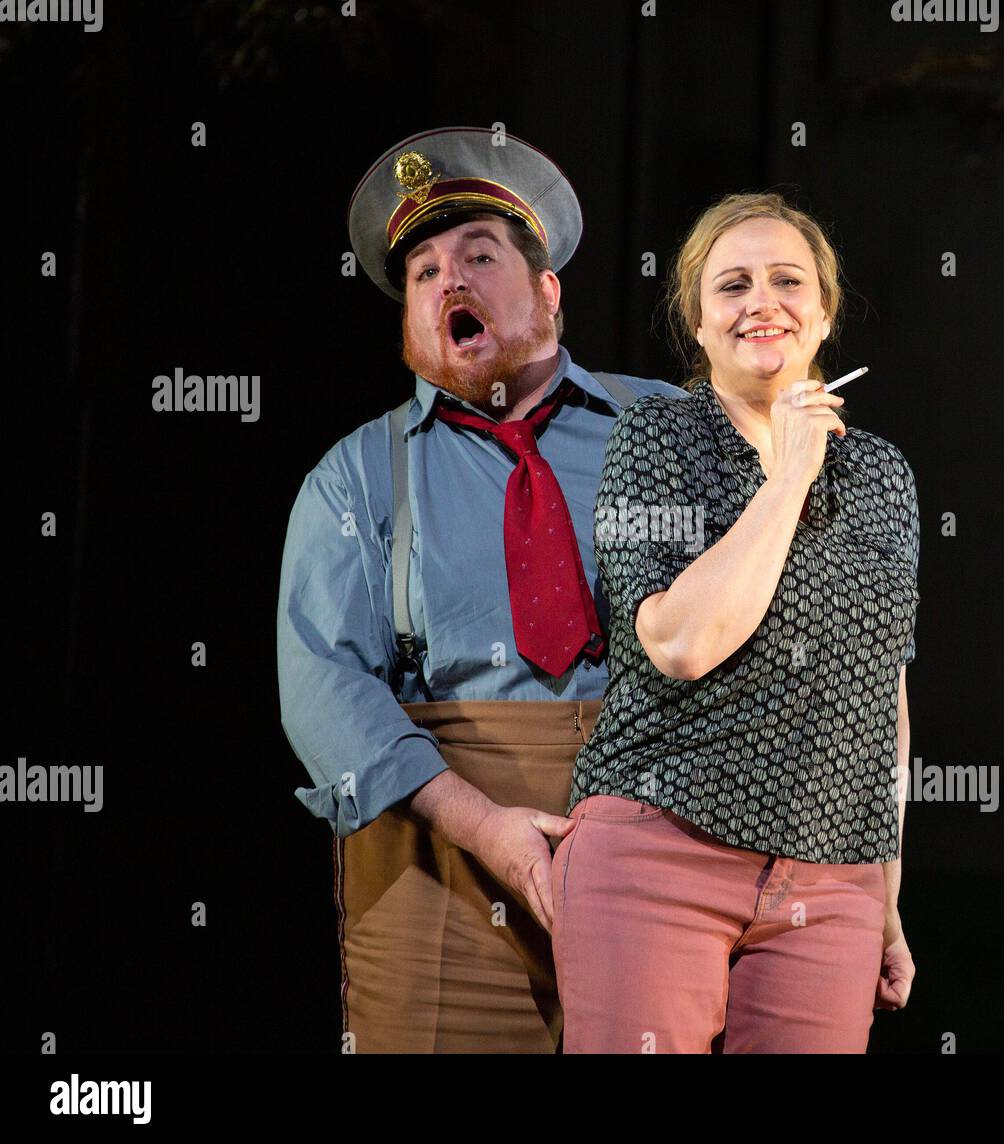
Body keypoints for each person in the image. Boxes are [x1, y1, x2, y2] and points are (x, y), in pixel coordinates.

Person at [276, 126, 683, 1052]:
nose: (447, 279)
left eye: (478, 255)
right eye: (422, 273)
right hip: (439, 870)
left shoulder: (669, 429)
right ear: (409, 326)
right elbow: (321, 689)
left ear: (548, 292)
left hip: (661, 864)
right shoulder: (357, 478)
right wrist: (485, 825)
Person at [551, 191, 920, 1053]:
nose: (763, 301)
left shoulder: (881, 476)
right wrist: (787, 477)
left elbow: (882, 699)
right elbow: (680, 645)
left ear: (822, 316)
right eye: (733, 285)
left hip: (832, 884)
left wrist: (888, 897)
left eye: (788, 280)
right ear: (700, 323)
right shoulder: (659, 439)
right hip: (659, 852)